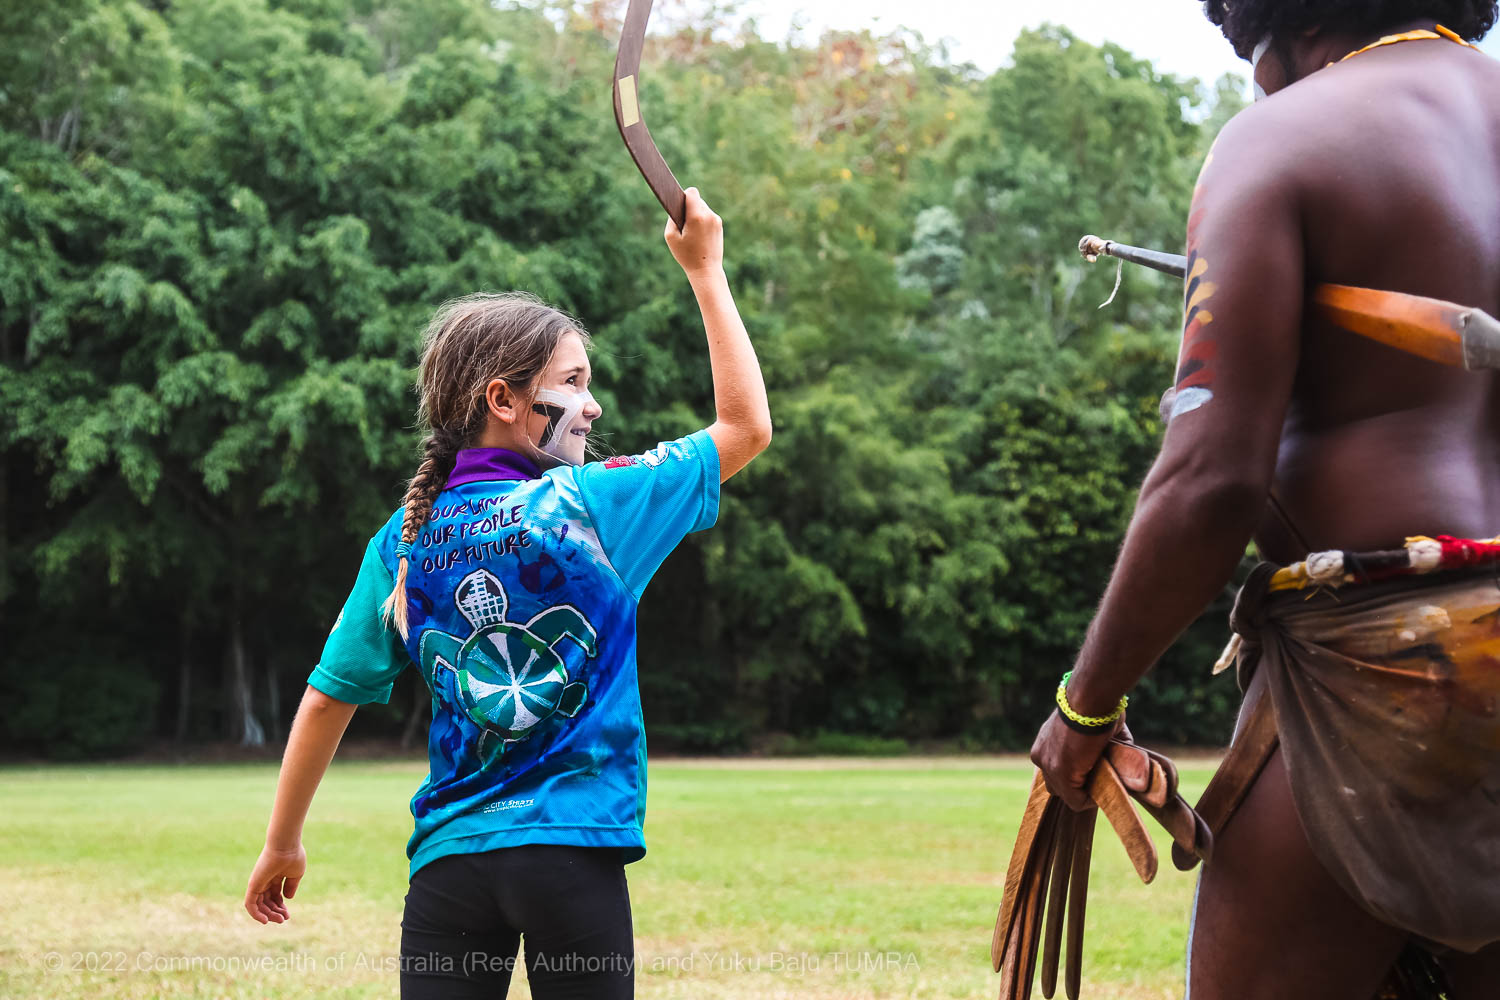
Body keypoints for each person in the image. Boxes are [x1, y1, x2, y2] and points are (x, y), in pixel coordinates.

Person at [1028, 3, 1500, 998]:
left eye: (1250, 55)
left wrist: (1085, 704)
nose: (1255, 79)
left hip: (1382, 674)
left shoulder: (1283, 139)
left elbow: (1212, 482)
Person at [242, 188, 770, 999]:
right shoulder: (593, 505)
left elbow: (326, 699)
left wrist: (283, 842)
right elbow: (745, 428)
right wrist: (706, 271)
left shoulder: (403, 539)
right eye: (574, 382)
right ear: (503, 399)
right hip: (570, 855)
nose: (592, 404)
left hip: (449, 867)